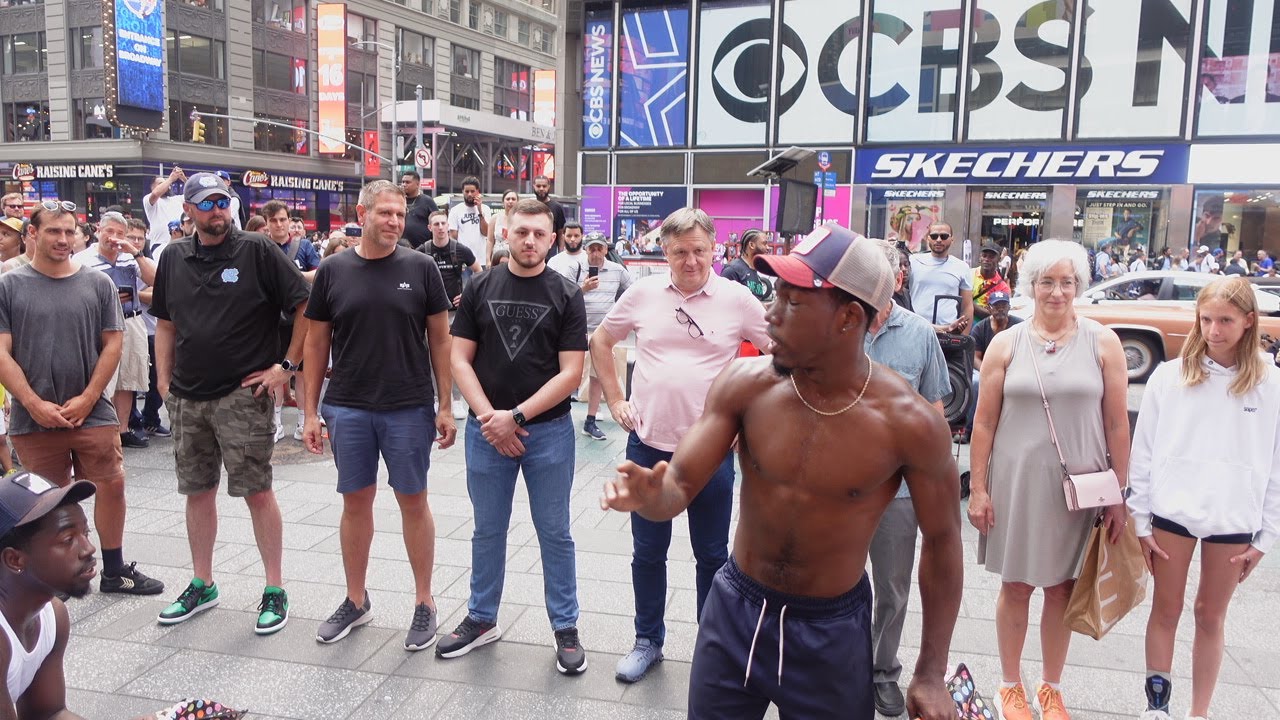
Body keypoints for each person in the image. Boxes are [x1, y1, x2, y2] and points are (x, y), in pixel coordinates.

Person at [601, 223, 963, 720]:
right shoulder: (746, 385)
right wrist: (648, 494)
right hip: (735, 613)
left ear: (848, 318)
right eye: (776, 295)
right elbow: (680, 486)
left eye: (792, 302)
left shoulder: (911, 423)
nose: (770, 314)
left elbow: (944, 544)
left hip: (831, 631)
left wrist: (930, 672)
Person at [591, 209, 771, 684]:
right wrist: (614, 398)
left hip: (710, 452)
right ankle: (647, 640)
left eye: (699, 251)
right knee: (647, 552)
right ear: (664, 252)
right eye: (680, 252)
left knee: (712, 556)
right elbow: (601, 339)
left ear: (716, 250)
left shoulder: (737, 299)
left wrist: (748, 421)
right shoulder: (643, 293)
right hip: (648, 445)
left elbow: (780, 356)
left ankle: (713, 646)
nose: (691, 261)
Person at [967, 240, 1131, 720]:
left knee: (1062, 587)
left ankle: (1051, 688)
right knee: (1016, 585)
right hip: (1016, 483)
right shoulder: (1005, 343)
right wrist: (977, 488)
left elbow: (1118, 424)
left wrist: (1119, 494)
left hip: (1078, 486)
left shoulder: (1104, 342)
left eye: (1066, 282)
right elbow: (983, 423)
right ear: (1030, 286)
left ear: (1078, 286)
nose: (1056, 292)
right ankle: (1010, 686)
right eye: (1046, 281)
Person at [150, 172, 310, 635]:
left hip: (243, 394)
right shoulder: (173, 257)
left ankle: (275, 589)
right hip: (187, 396)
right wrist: (163, 381)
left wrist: (287, 366)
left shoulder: (257, 250)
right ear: (189, 211)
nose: (216, 210)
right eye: (206, 203)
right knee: (196, 490)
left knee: (257, 490)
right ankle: (203, 582)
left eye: (223, 201)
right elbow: (165, 323)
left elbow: (305, 303)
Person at [300, 180, 457, 650]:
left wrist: (445, 404)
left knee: (414, 501)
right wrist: (310, 410)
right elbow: (315, 341)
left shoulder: (422, 267)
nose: (394, 221)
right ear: (362, 213)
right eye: (385, 213)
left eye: (400, 213)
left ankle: (425, 602)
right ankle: (356, 598)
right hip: (347, 404)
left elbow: (441, 339)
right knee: (355, 502)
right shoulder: (332, 270)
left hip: (408, 405)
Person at [440, 199, 589, 675]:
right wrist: (490, 420)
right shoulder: (480, 285)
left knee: (555, 532)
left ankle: (565, 626)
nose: (529, 241)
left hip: (548, 433)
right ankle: (482, 617)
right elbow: (458, 358)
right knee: (487, 529)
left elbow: (572, 374)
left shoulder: (567, 294)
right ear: (506, 231)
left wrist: (516, 417)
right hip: (487, 433)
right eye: (521, 231)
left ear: (552, 238)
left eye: (538, 234)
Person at [1127, 277, 1280, 720]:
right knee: (1166, 608)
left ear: (1249, 321)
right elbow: (1145, 451)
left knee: (1210, 616)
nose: (1214, 330)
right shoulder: (1169, 376)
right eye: (1207, 319)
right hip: (1171, 513)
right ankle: (1158, 707)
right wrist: (1140, 518)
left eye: (1227, 320)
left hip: (1235, 518)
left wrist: (1266, 536)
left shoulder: (1271, 383)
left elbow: (1275, 464)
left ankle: (1200, 712)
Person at [0, 200, 163, 598]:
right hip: (35, 418)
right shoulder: (8, 285)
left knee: (111, 486)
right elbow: (1, 351)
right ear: (32, 235)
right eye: (53, 231)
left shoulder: (98, 283)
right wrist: (34, 403)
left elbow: (113, 343)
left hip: (93, 413)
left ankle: (113, 569)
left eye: (69, 231)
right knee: (45, 503)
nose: (62, 239)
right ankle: (53, 576)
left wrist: (91, 397)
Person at [862, 238, 951, 718]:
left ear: (898, 280)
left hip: (897, 489)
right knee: (834, 579)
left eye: (881, 275)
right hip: (838, 486)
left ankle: (880, 671)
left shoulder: (920, 334)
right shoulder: (837, 326)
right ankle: (836, 665)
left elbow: (935, 413)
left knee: (892, 586)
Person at [0, 471, 98, 718]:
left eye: (85, 533)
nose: (88, 548)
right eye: (67, 539)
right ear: (14, 559)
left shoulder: (53, 616)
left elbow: (48, 714)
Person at [74, 212, 157, 451]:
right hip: (101, 324)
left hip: (131, 320)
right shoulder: (83, 259)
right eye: (109, 231)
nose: (114, 238)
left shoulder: (129, 258)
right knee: (105, 378)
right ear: (98, 230)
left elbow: (157, 279)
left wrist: (136, 252)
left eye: (120, 234)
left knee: (129, 378)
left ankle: (122, 430)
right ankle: (105, 430)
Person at [261, 201, 320, 442]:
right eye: (273, 220)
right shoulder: (261, 247)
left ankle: (303, 420)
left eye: (282, 219)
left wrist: (294, 277)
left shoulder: (304, 246)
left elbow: (319, 273)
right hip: (271, 320)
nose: (279, 224)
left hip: (301, 318)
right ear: (266, 223)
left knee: (303, 372)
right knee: (275, 369)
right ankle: (275, 421)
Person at [576, 232, 632, 441]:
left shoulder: (617, 271)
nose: (596, 253)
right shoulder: (577, 267)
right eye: (592, 248)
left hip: (602, 332)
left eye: (600, 248)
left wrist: (622, 316)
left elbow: (632, 292)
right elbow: (564, 295)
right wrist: (583, 288)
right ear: (586, 250)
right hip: (577, 329)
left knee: (597, 374)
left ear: (606, 250)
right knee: (568, 372)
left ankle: (590, 420)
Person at [961, 289, 1022, 443]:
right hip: (986, 369)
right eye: (996, 306)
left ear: (1009, 307)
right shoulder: (981, 328)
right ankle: (968, 430)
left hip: (1013, 369)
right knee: (975, 383)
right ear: (989, 308)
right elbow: (975, 357)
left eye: (1004, 305)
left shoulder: (1019, 326)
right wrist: (987, 372)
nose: (1000, 309)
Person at [909, 222, 973, 334]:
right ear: (927, 238)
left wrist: (963, 338)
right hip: (915, 329)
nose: (938, 240)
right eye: (934, 236)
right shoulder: (912, 261)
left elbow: (967, 306)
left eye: (944, 236)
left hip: (948, 332)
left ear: (952, 239)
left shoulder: (962, 267)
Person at [718, 228, 773, 302]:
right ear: (751, 245)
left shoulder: (754, 271)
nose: (768, 247)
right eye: (764, 243)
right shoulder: (732, 270)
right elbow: (722, 302)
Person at [448, 177, 491, 270]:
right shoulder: (455, 210)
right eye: (467, 191)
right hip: (463, 261)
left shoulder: (485, 209)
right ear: (462, 191)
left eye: (472, 191)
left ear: (477, 192)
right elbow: (452, 237)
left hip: (481, 259)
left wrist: (480, 211)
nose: (470, 194)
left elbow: (486, 232)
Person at [144, 168, 187, 254]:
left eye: (167, 183)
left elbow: (193, 193)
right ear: (152, 187)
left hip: (179, 244)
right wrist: (171, 179)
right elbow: (156, 194)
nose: (167, 185)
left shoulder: (177, 199)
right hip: (160, 244)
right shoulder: (148, 199)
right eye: (161, 183)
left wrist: (184, 179)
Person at [972, 241, 1011, 322]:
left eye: (991, 257)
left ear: (999, 259)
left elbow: (999, 315)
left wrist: (969, 303)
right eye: (984, 256)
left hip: (986, 330)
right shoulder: (968, 275)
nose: (986, 259)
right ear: (980, 257)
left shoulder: (1002, 288)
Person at [400, 171, 440, 250]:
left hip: (423, 249)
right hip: (400, 248)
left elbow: (437, 222)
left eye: (407, 182)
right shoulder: (398, 201)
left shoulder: (427, 201)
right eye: (403, 182)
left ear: (417, 184)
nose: (404, 185)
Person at [533, 175, 566, 254]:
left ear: (548, 187)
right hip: (533, 249)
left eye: (544, 186)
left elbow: (561, 233)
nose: (541, 188)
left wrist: (560, 253)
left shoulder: (557, 207)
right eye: (538, 186)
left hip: (550, 252)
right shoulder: (529, 206)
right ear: (534, 186)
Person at [487, 190, 519, 262]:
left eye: (513, 199)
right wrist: (488, 260)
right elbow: (489, 240)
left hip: (514, 258)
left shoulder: (521, 219)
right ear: (503, 202)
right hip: (497, 258)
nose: (510, 201)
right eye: (508, 199)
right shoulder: (495, 218)